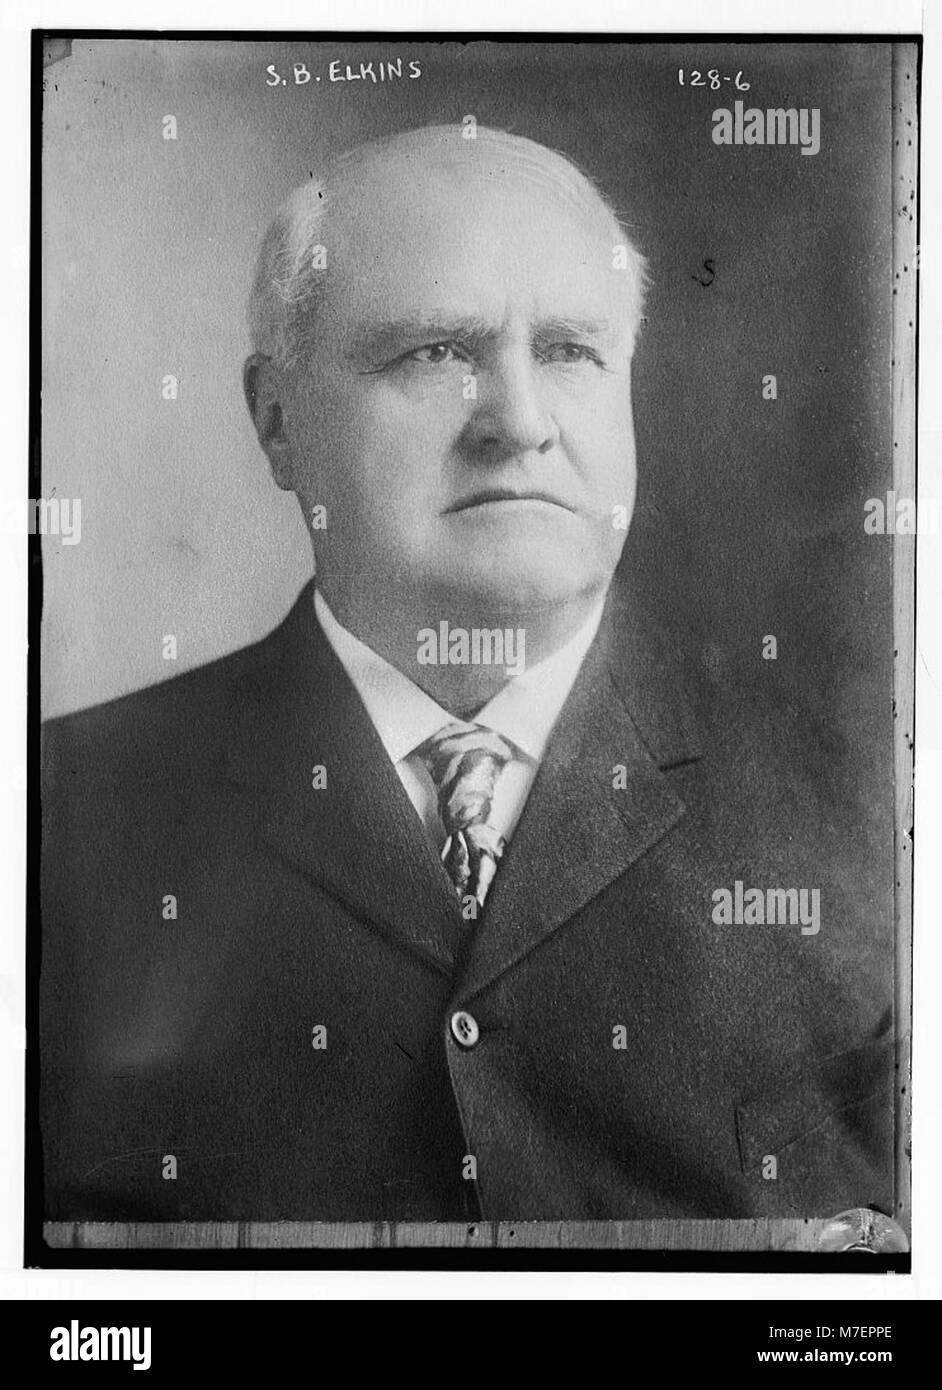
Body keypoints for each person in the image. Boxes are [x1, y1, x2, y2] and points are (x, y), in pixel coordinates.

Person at [39, 125, 894, 1225]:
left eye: (573, 352)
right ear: (276, 419)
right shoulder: (62, 817)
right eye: (435, 353)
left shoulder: (873, 811)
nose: (520, 423)